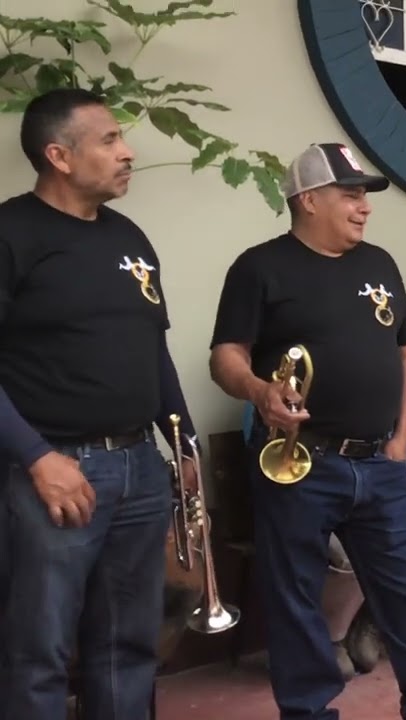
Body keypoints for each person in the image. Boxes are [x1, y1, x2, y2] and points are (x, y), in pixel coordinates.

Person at [208, 143, 406, 720]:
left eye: (364, 196)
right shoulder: (260, 267)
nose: (364, 207)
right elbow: (226, 355)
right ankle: (308, 712)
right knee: (294, 599)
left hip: (378, 464)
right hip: (300, 462)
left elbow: (404, 357)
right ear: (307, 200)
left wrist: (399, 441)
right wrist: (259, 392)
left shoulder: (379, 264)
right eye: (350, 195)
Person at [0, 87, 200, 720]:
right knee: (40, 651)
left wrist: (185, 444)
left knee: (129, 644)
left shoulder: (130, 237)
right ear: (59, 155)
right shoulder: (11, 233)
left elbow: (153, 350)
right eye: (109, 140)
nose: (127, 152)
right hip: (56, 473)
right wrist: (37, 458)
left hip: (141, 468)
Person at [239, 399, 406, 678]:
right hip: (305, 491)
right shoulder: (275, 388)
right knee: (347, 556)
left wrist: (398, 441)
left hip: (371, 481)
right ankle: (332, 637)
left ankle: (374, 622)